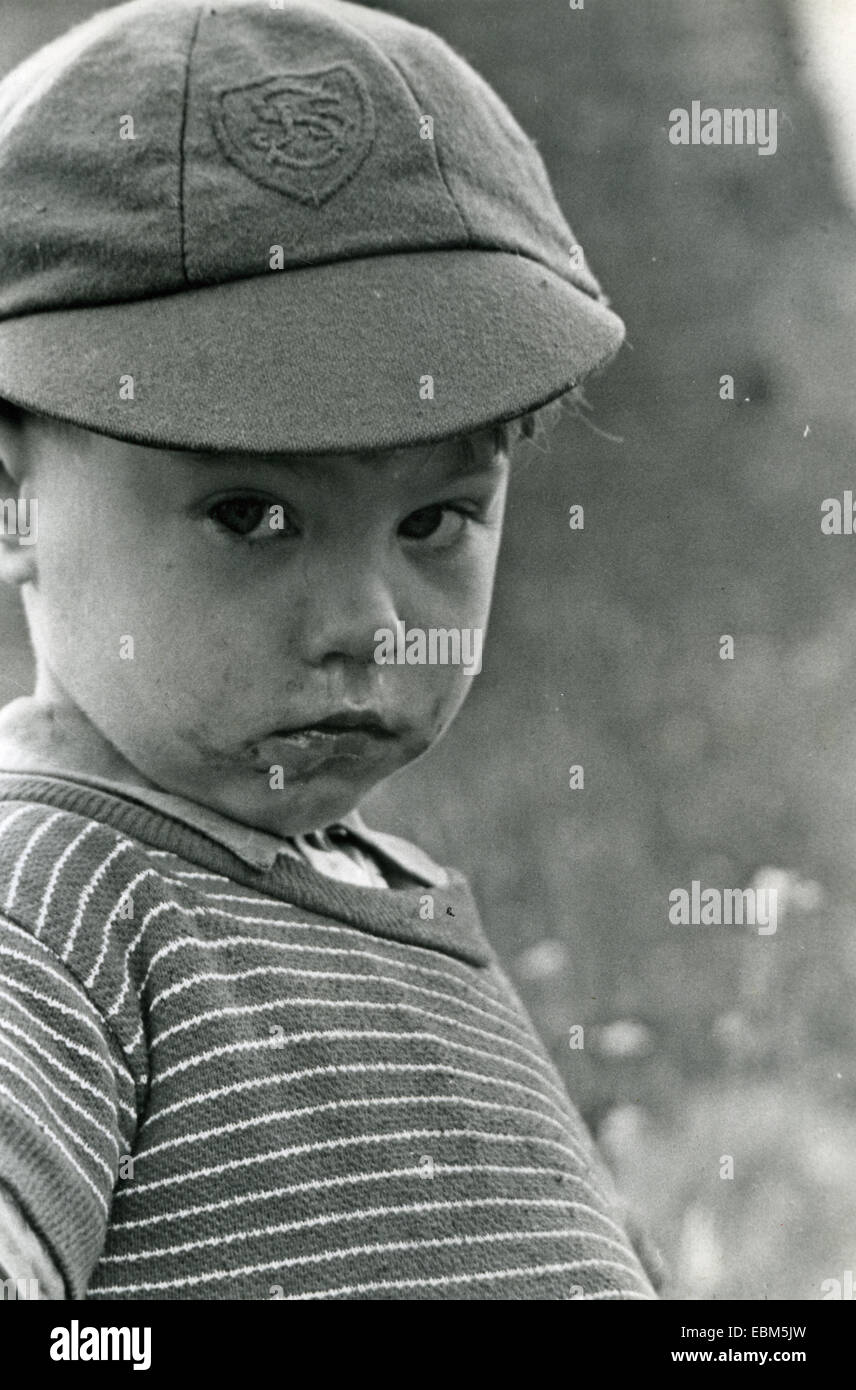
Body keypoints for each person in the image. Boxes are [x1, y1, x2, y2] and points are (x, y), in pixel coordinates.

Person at [0, 0, 656, 1300]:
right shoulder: (52, 907)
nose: (372, 622)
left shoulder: (393, 896)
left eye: (436, 519)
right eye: (252, 513)